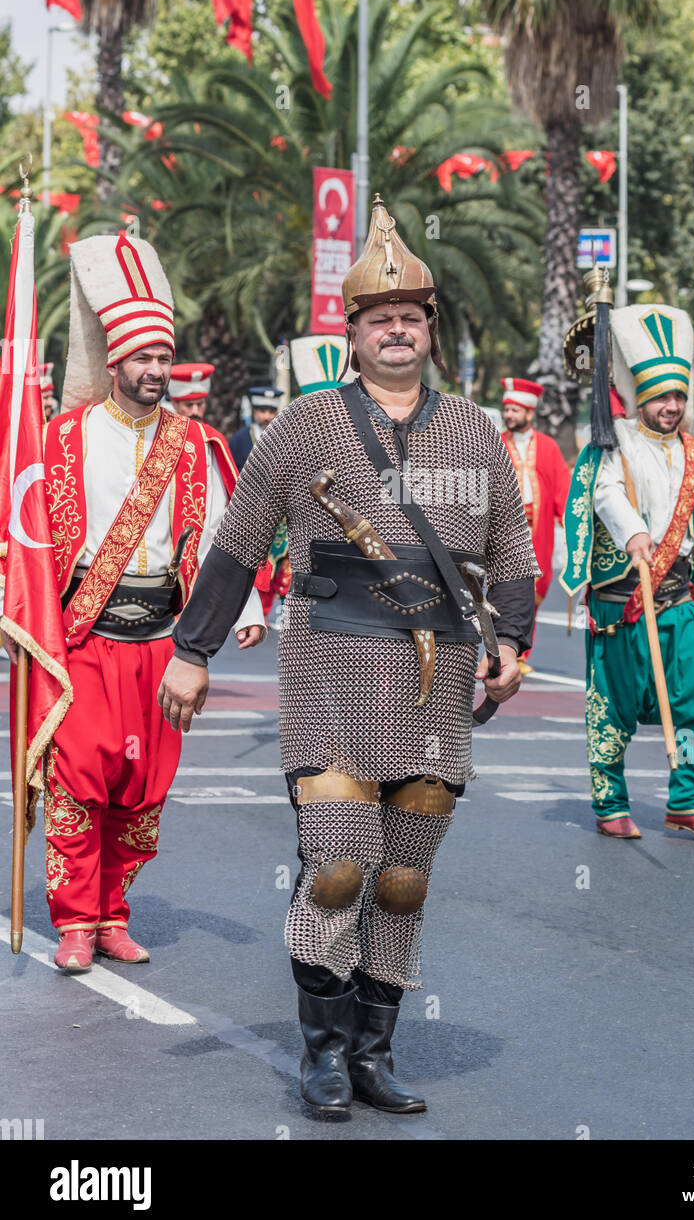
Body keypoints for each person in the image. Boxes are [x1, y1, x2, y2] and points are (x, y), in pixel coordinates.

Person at [158, 194, 538, 1115]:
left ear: (428, 330)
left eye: (409, 318)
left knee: (402, 882)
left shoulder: (474, 432)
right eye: (379, 320)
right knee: (335, 866)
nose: (395, 331)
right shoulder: (304, 427)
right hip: (331, 668)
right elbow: (238, 542)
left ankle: (375, 1053)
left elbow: (512, 551)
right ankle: (322, 1054)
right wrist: (192, 650)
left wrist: (516, 642)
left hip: (438, 675)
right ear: (354, 334)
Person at [0, 233, 266, 973]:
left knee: (141, 791)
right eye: (142, 358)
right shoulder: (59, 440)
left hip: (162, 643)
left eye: (162, 358)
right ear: (114, 361)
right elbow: (22, 531)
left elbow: (224, 534)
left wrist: (241, 614)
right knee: (78, 782)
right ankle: (76, 922)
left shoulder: (195, 444)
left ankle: (115, 912)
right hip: (82, 633)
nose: (155, 371)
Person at [561, 289, 694, 841]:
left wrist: (684, 555)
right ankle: (611, 805)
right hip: (621, 603)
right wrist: (635, 532)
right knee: (612, 709)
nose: (671, 407)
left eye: (679, 398)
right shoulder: (614, 443)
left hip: (677, 600)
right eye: (662, 398)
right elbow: (606, 496)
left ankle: (688, 799)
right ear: (641, 398)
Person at [500, 376, 572, 672]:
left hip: (536, 531)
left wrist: (574, 527)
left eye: (515, 411)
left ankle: (519, 653)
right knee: (502, 589)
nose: (509, 416)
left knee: (534, 590)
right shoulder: (497, 443)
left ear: (529, 413)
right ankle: (505, 651)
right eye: (507, 410)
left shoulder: (548, 447)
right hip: (502, 530)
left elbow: (562, 491)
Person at [229, 386, 281, 470]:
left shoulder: (283, 439)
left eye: (271, 412)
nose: (266, 417)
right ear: (254, 412)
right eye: (262, 411)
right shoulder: (239, 439)